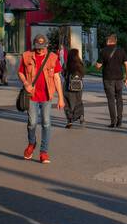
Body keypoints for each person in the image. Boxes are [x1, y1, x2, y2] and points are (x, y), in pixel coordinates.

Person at [19, 35, 64, 163]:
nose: (40, 50)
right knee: (32, 122)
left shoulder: (53, 58)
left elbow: (56, 78)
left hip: (46, 96)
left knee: (46, 123)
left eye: (42, 48)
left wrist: (60, 98)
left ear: (47, 46)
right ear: (34, 46)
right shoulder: (27, 56)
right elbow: (21, 72)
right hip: (31, 96)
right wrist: (25, 83)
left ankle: (44, 152)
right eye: (37, 48)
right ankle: (32, 143)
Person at [100, 33, 127, 129]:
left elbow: (98, 65)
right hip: (119, 79)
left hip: (108, 78)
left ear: (108, 41)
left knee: (111, 100)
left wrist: (102, 63)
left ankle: (113, 122)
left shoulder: (103, 51)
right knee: (119, 99)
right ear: (115, 41)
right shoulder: (121, 51)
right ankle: (120, 120)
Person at [63, 47, 86, 127]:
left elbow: (63, 74)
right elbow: (83, 74)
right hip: (79, 86)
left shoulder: (66, 64)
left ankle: (69, 120)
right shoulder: (80, 63)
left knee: (67, 102)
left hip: (68, 86)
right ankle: (80, 115)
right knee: (78, 100)